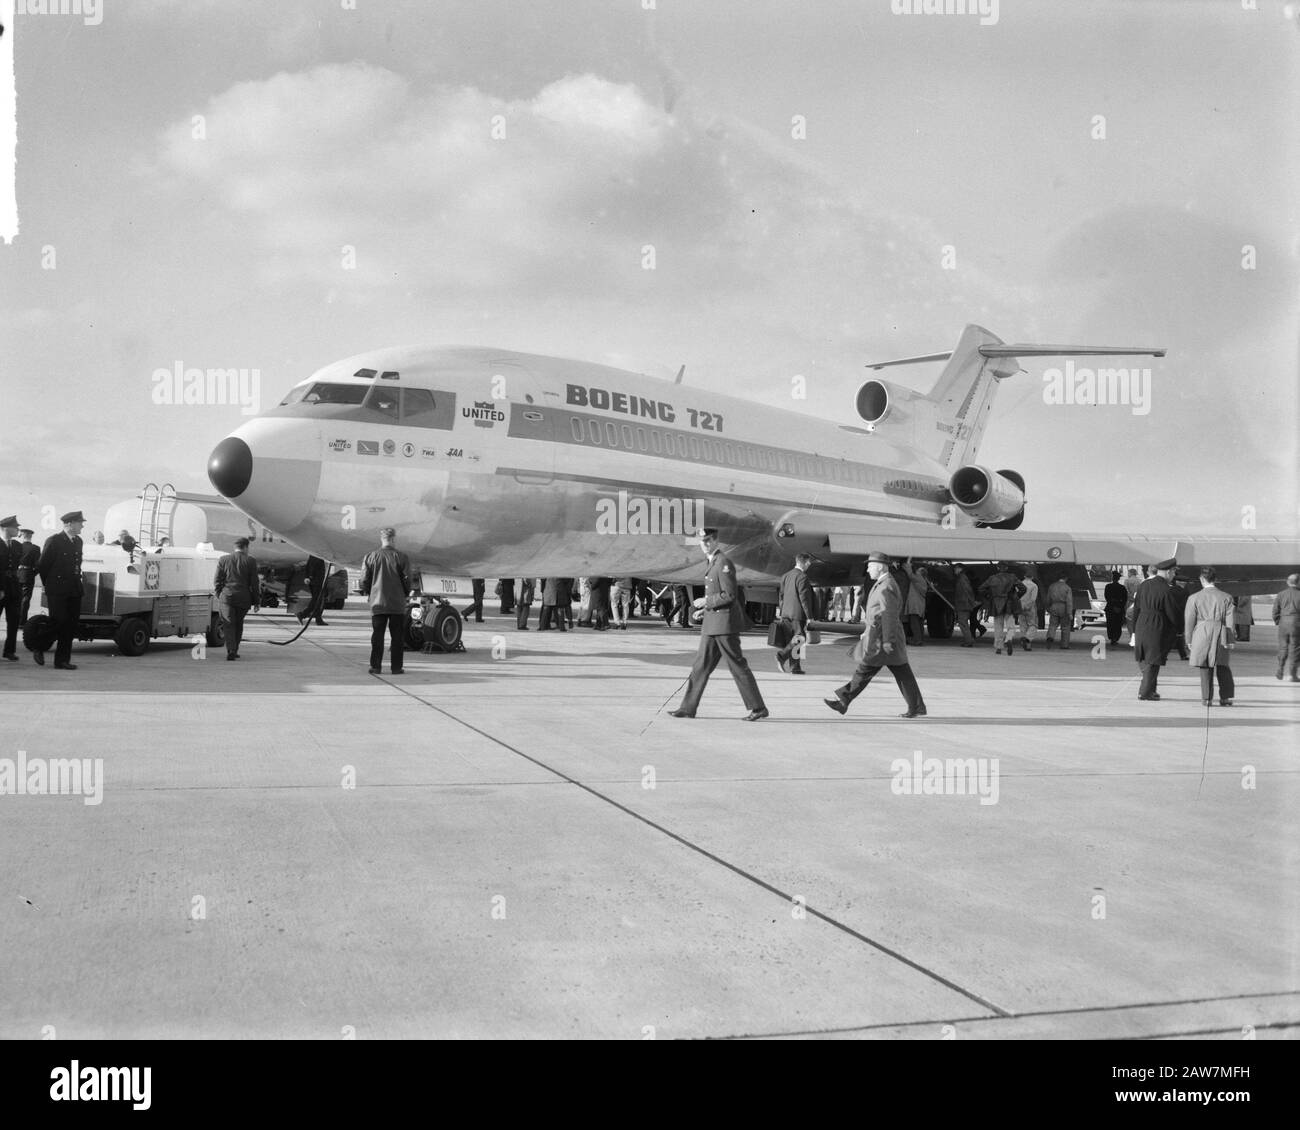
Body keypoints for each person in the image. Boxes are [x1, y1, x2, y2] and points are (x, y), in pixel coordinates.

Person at [670, 528, 768, 721]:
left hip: (724, 625)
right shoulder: (713, 561)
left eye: (707, 540)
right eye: (701, 541)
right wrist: (703, 610)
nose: (704, 544)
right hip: (713, 623)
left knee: (737, 666)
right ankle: (688, 708)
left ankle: (758, 707)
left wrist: (705, 602)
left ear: (716, 541)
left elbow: (729, 595)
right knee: (700, 667)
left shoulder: (723, 562)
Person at [824, 552, 928, 719]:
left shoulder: (887, 586)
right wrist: (867, 631)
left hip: (883, 640)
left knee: (866, 669)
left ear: (880, 567)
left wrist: (887, 640)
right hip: (882, 637)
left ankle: (844, 699)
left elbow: (889, 615)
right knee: (899, 672)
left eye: (870, 566)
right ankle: (916, 707)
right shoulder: (882, 583)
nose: (868, 569)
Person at [35, 510, 86, 669]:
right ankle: (39, 645)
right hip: (57, 589)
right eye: (79, 523)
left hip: (74, 588)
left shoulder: (78, 541)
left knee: (70, 625)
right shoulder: (54, 541)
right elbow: (43, 565)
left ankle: (62, 660)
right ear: (69, 524)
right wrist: (49, 585)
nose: (82, 526)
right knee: (58, 621)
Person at [360, 528, 411, 674]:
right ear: (393, 539)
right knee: (397, 637)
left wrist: (370, 592)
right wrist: (405, 594)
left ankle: (375, 666)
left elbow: (364, 580)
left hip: (377, 603)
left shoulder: (370, 556)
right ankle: (396, 667)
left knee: (377, 636)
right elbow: (407, 580)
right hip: (396, 603)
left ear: (381, 539)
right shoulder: (402, 557)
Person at [1131, 557, 1182, 700]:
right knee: (1153, 661)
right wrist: (1180, 628)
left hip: (1142, 623)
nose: (1173, 576)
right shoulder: (1166, 589)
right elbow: (1172, 613)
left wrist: (1134, 629)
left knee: (1145, 659)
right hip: (1157, 627)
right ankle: (1146, 693)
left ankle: (1148, 689)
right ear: (1168, 572)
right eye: (1173, 573)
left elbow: (1136, 608)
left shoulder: (1144, 585)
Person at [1185, 567, 1236, 706]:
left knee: (1205, 665)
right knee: (1223, 665)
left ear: (1202, 579)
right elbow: (1230, 621)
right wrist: (1230, 640)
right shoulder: (1226, 597)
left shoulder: (1193, 598)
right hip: (1221, 631)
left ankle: (1207, 698)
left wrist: (1189, 640)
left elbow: (1189, 621)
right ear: (1215, 579)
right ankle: (1225, 698)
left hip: (1202, 631)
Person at [213, 536, 261, 661]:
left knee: (228, 624)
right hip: (243, 598)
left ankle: (231, 650)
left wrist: (220, 595)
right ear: (245, 547)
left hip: (227, 597)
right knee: (238, 624)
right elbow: (254, 583)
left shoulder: (223, 559)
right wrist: (257, 601)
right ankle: (235, 649)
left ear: (235, 547)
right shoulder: (250, 561)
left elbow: (217, 581)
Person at [773, 552, 816, 674]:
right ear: (806, 563)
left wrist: (781, 612)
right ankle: (781, 656)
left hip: (786, 613)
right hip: (798, 614)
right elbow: (804, 599)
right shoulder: (802, 577)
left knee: (791, 640)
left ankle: (795, 667)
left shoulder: (785, 576)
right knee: (800, 639)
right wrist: (809, 617)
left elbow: (781, 595)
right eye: (809, 563)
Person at [978, 562, 1022, 656]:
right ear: (1006, 568)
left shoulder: (992, 578)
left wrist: (990, 597)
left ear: (998, 568)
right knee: (1011, 626)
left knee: (998, 627)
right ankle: (1008, 639)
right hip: (1010, 604)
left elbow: (981, 589)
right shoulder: (1012, 577)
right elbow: (1023, 588)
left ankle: (998, 647)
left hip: (996, 604)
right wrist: (1015, 597)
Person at [0, 516, 23, 661]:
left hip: (14, 587)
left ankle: (9, 651)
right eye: (15, 527)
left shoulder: (17, 545)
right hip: (0, 586)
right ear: (5, 528)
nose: (18, 530)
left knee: (14, 620)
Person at [1272, 574, 1300, 682]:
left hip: (1283, 624)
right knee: (1295, 649)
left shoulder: (1281, 594)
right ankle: (1293, 675)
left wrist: (1279, 622)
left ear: (1288, 582)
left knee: (1283, 647)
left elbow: (1275, 612)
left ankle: (1280, 669)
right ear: (1298, 582)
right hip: (1297, 624)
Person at [16, 528, 40, 625]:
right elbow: (38, 565)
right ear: (31, 536)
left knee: (15, 599)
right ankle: (22, 622)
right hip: (28, 575)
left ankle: (14, 621)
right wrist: (31, 573)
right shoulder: (36, 548)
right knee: (25, 599)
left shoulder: (17, 547)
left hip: (16, 575)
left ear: (22, 535)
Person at [902, 559, 929, 645]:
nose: (916, 572)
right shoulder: (923, 581)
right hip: (920, 606)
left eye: (918, 571)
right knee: (920, 624)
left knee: (914, 624)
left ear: (921, 573)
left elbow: (910, 575)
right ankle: (920, 639)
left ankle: (917, 640)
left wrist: (907, 565)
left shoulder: (918, 578)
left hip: (915, 606)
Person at [298, 556, 328, 627]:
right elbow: (312, 567)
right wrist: (310, 576)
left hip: (315, 581)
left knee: (318, 601)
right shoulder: (317, 556)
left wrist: (307, 577)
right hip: (316, 582)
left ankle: (318, 619)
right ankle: (302, 614)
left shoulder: (313, 555)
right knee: (316, 600)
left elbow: (308, 566)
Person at [1044, 576, 1073, 649]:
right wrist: (1069, 613)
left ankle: (1050, 637)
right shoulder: (1067, 588)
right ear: (1066, 578)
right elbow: (1069, 601)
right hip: (1064, 607)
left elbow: (1048, 598)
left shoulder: (1052, 586)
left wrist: (1048, 608)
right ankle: (1064, 645)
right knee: (1065, 627)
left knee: (1052, 625)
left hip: (1054, 606)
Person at [953, 564, 976, 647]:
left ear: (960, 569)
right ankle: (969, 640)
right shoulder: (962, 578)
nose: (954, 570)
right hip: (964, 604)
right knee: (963, 623)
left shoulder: (962, 578)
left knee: (963, 623)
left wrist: (968, 603)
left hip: (963, 605)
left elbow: (967, 591)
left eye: (956, 568)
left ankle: (969, 641)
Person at [1017, 569, 1040, 651]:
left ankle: (1026, 645)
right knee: (1033, 625)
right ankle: (1027, 638)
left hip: (1020, 606)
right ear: (1032, 577)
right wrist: (1028, 606)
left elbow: (1016, 596)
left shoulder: (1019, 585)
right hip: (1030, 607)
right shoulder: (1034, 586)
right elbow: (1033, 599)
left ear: (1024, 576)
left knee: (1023, 625)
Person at [1103, 570, 1128, 645]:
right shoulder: (1122, 588)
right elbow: (1125, 599)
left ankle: (1111, 637)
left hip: (1110, 608)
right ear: (1118, 579)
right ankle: (1116, 638)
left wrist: (1113, 605)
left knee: (1110, 623)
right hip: (1119, 608)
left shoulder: (1108, 586)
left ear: (1112, 578)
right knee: (1118, 624)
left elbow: (1107, 597)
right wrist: (1119, 607)